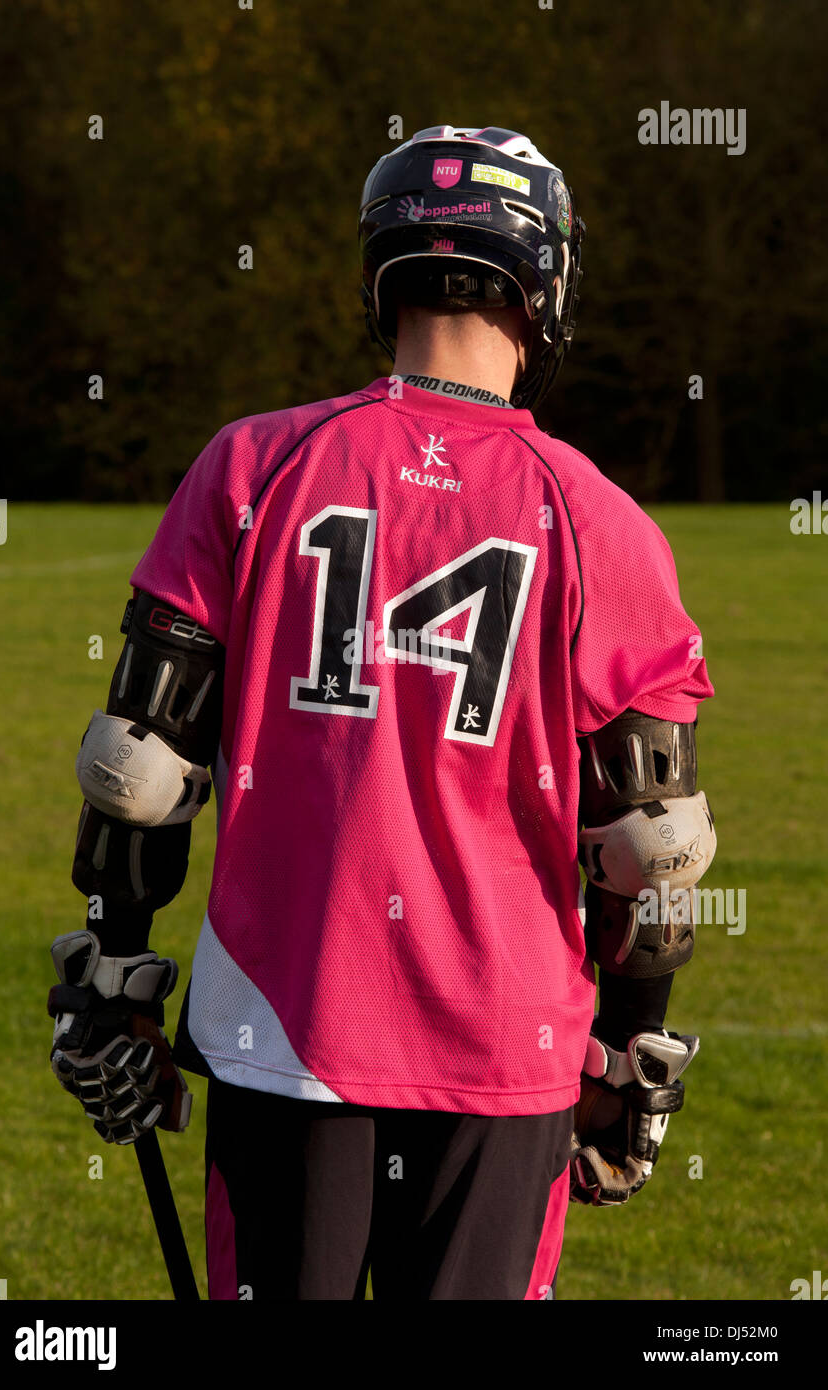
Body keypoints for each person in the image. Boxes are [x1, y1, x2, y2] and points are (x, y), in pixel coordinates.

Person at [47, 125, 717, 1301]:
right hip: (505, 1046)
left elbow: (139, 767)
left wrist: (112, 971)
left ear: (381, 272)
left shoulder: (254, 463)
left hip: (282, 1020)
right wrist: (631, 1049)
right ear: (544, 280)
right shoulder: (598, 516)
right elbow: (650, 846)